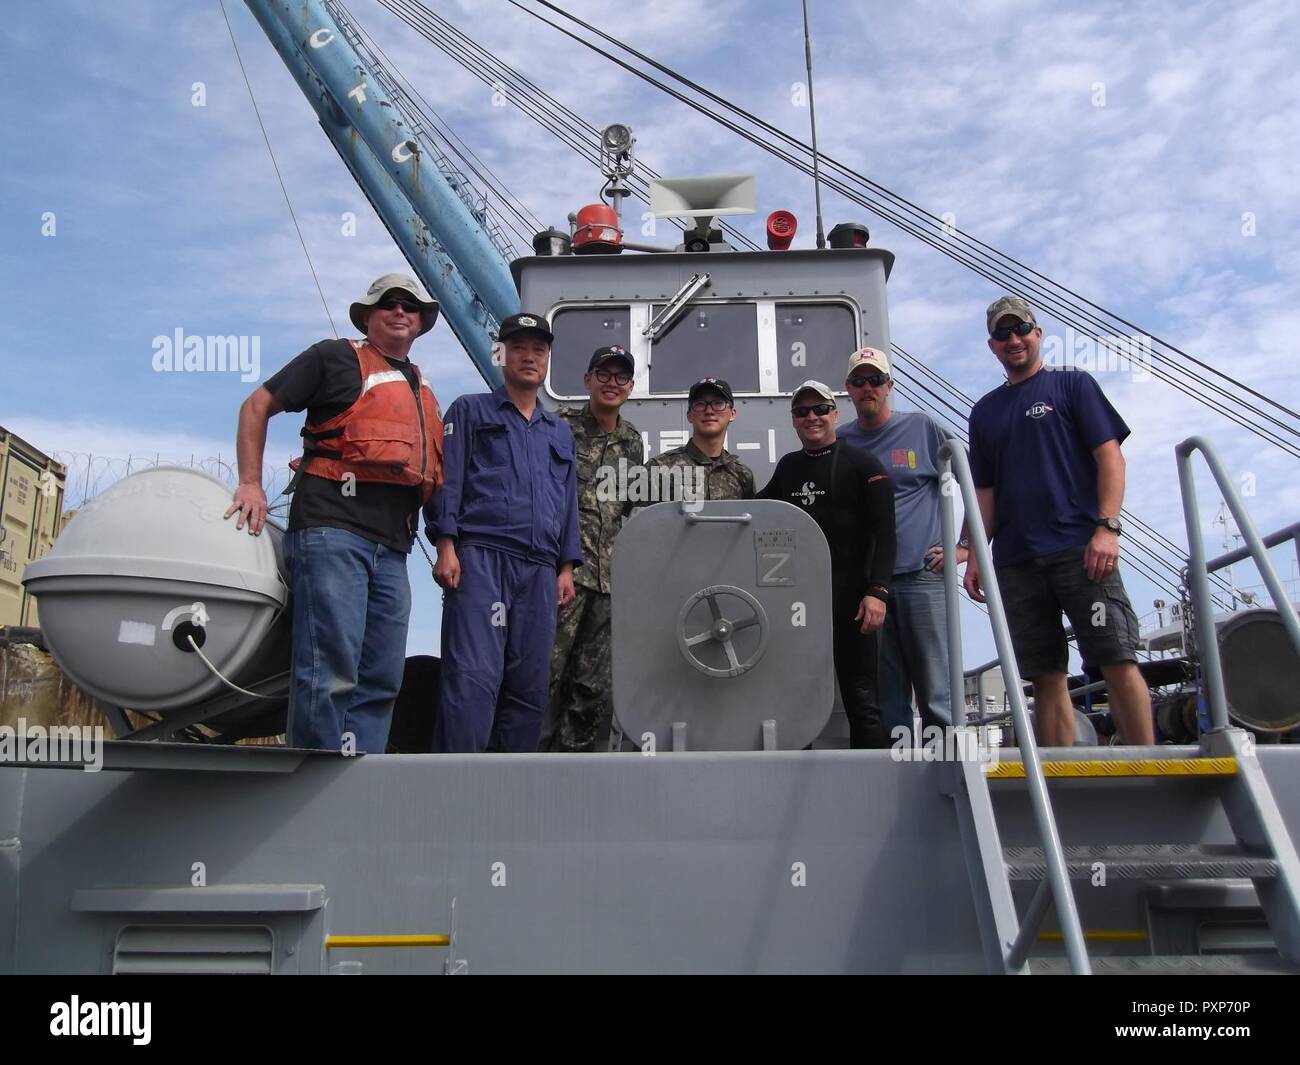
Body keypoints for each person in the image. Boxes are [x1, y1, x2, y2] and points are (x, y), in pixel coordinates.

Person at [227, 272, 444, 753]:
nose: (401, 311)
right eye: (389, 303)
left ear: (421, 322)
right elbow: (256, 405)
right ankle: (313, 781)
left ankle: (356, 781)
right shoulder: (334, 357)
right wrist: (250, 483)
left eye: (411, 306)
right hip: (333, 533)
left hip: (393, 551)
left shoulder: (423, 391)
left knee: (382, 676)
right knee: (330, 670)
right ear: (368, 315)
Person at [963, 296, 1153, 746]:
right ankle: (1056, 781)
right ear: (992, 345)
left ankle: (1150, 764)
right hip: (1016, 560)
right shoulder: (985, 412)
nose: (1013, 339)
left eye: (1021, 329)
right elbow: (985, 493)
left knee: (1116, 658)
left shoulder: (1073, 387)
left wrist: (1107, 528)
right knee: (1044, 675)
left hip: (1081, 550)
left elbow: (1110, 458)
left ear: (1038, 333)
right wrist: (973, 552)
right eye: (1002, 334)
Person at [427, 312, 582, 752]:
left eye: (538, 350)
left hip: (539, 570)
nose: (529, 357)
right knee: (472, 677)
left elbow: (566, 500)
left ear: (548, 359)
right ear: (502, 354)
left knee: (529, 686)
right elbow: (449, 480)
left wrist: (566, 565)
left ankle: (510, 792)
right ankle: (456, 786)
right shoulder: (470, 410)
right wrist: (446, 544)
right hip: (481, 559)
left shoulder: (560, 433)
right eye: (519, 348)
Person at [758, 381, 896, 749]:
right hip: (798, 607)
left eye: (820, 409)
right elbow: (754, 514)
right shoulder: (788, 468)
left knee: (862, 700)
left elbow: (886, 533)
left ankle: (871, 788)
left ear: (835, 413)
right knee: (795, 700)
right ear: (793, 421)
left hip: (853, 604)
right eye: (802, 412)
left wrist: (877, 592)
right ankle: (793, 788)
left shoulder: (863, 464)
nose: (812, 417)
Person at [837, 347, 963, 741]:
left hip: (924, 576)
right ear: (849, 390)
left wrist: (965, 549)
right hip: (872, 586)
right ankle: (898, 779)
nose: (868, 387)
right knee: (887, 695)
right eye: (859, 381)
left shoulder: (923, 428)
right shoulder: (841, 442)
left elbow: (978, 483)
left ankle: (948, 775)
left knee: (938, 689)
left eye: (875, 379)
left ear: (889, 386)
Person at [541, 345, 644, 752]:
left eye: (621, 377)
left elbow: (629, 507)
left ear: (630, 387)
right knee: (543, 675)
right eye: (604, 374)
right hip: (562, 575)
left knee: (591, 688)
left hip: (608, 584)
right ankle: (520, 767)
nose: (611, 383)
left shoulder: (632, 441)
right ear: (587, 380)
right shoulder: (558, 427)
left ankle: (573, 774)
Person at [645, 377, 755, 501]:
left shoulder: (742, 475)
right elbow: (641, 518)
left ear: (732, 413)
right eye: (700, 404)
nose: (709, 411)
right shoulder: (660, 468)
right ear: (689, 415)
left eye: (718, 403)